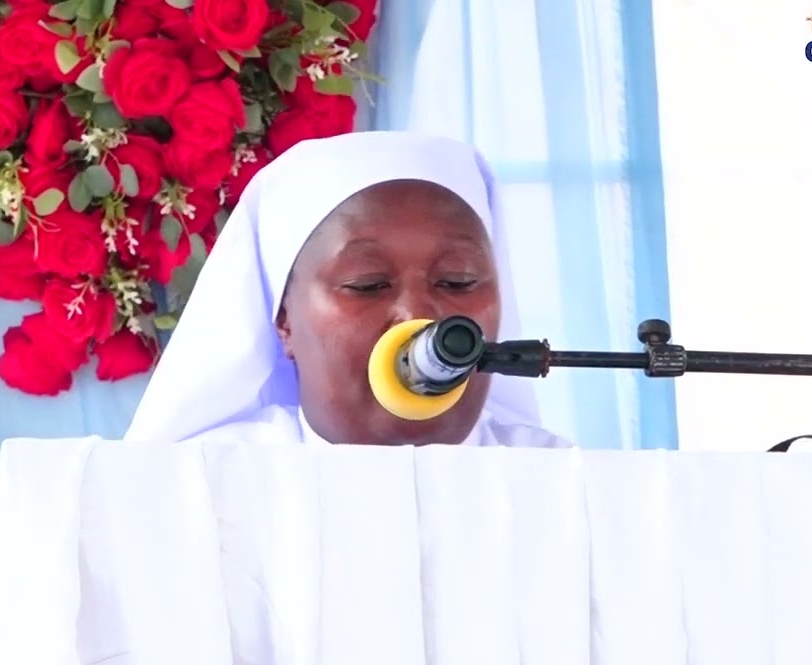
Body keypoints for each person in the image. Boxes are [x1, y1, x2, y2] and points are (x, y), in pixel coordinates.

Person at [125, 131, 572, 448]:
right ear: (284, 322)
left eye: (458, 281)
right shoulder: (204, 491)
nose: (418, 315)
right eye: (367, 284)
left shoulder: (568, 490)